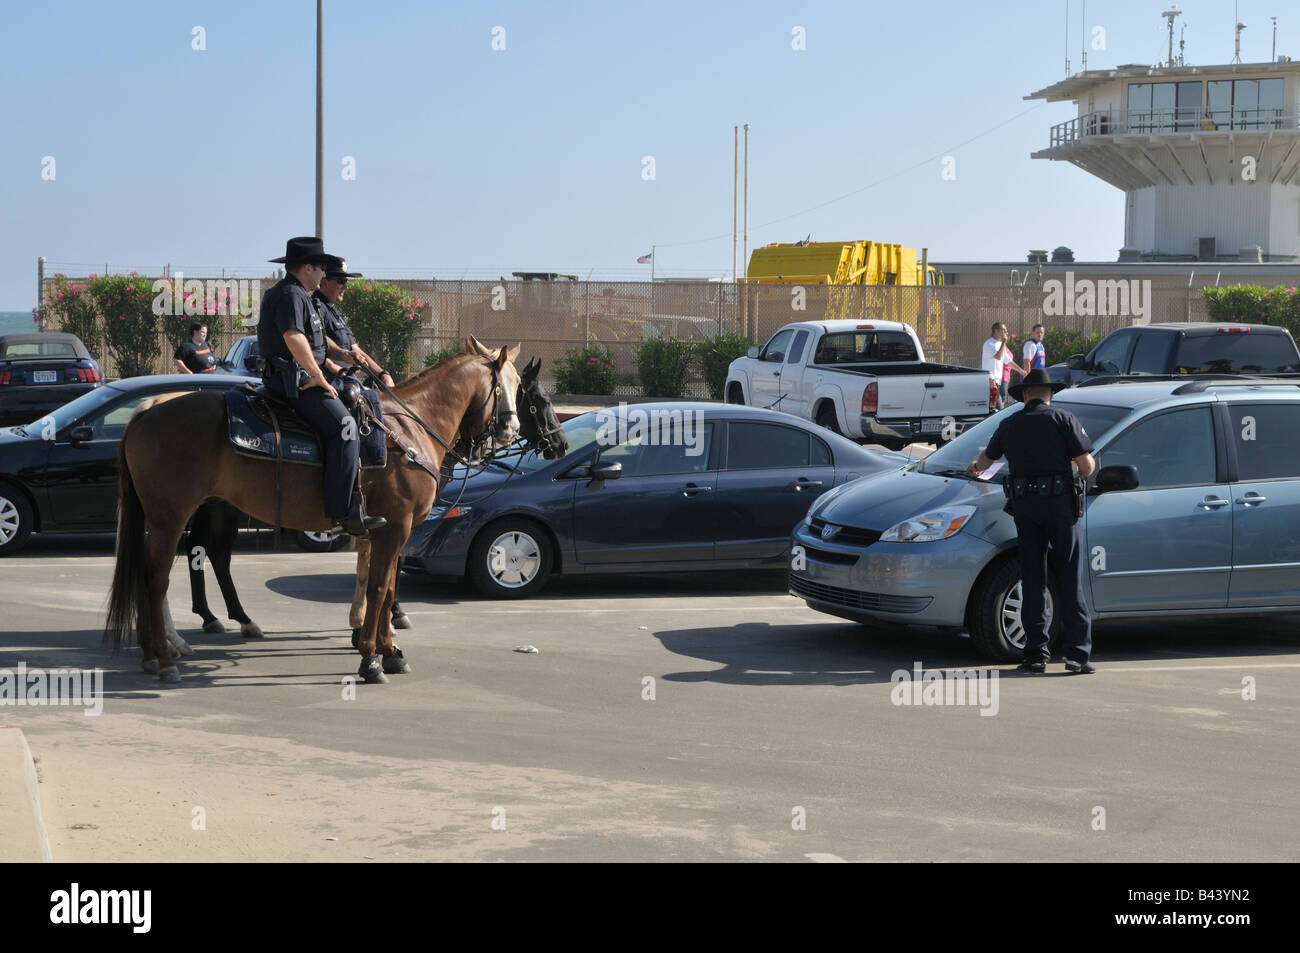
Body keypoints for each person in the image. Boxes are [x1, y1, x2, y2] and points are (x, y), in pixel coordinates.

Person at [966, 368, 1097, 674]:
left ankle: (1035, 654)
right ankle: (1077, 654)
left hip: (1025, 509)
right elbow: (1087, 466)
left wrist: (974, 466)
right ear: (1050, 394)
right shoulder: (1064, 420)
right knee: (1068, 577)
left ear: (1025, 395)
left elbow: (986, 460)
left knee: (1033, 580)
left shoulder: (1009, 423)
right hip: (1060, 508)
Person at [256, 236, 386, 537]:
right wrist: (316, 375)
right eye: (321, 270)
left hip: (299, 377)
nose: (324, 276)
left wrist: (341, 355)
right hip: (295, 383)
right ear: (307, 268)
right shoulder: (291, 294)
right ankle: (342, 513)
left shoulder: (300, 294)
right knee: (346, 429)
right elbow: (293, 337)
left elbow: (315, 342)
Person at [312, 257, 394, 389]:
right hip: (330, 381)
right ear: (324, 281)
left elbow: (355, 349)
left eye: (346, 281)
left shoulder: (332, 310)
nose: (345, 286)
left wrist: (382, 374)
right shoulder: (315, 307)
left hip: (346, 379)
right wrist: (336, 369)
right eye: (341, 281)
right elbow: (313, 345)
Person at [983, 323, 1025, 409]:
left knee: (993, 409)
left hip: (997, 382)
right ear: (996, 331)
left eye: (1006, 331)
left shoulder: (1000, 344)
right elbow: (998, 357)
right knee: (998, 408)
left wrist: (1021, 371)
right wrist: (1003, 343)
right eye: (1004, 330)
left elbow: (1008, 361)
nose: (1006, 332)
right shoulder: (989, 344)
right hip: (990, 382)